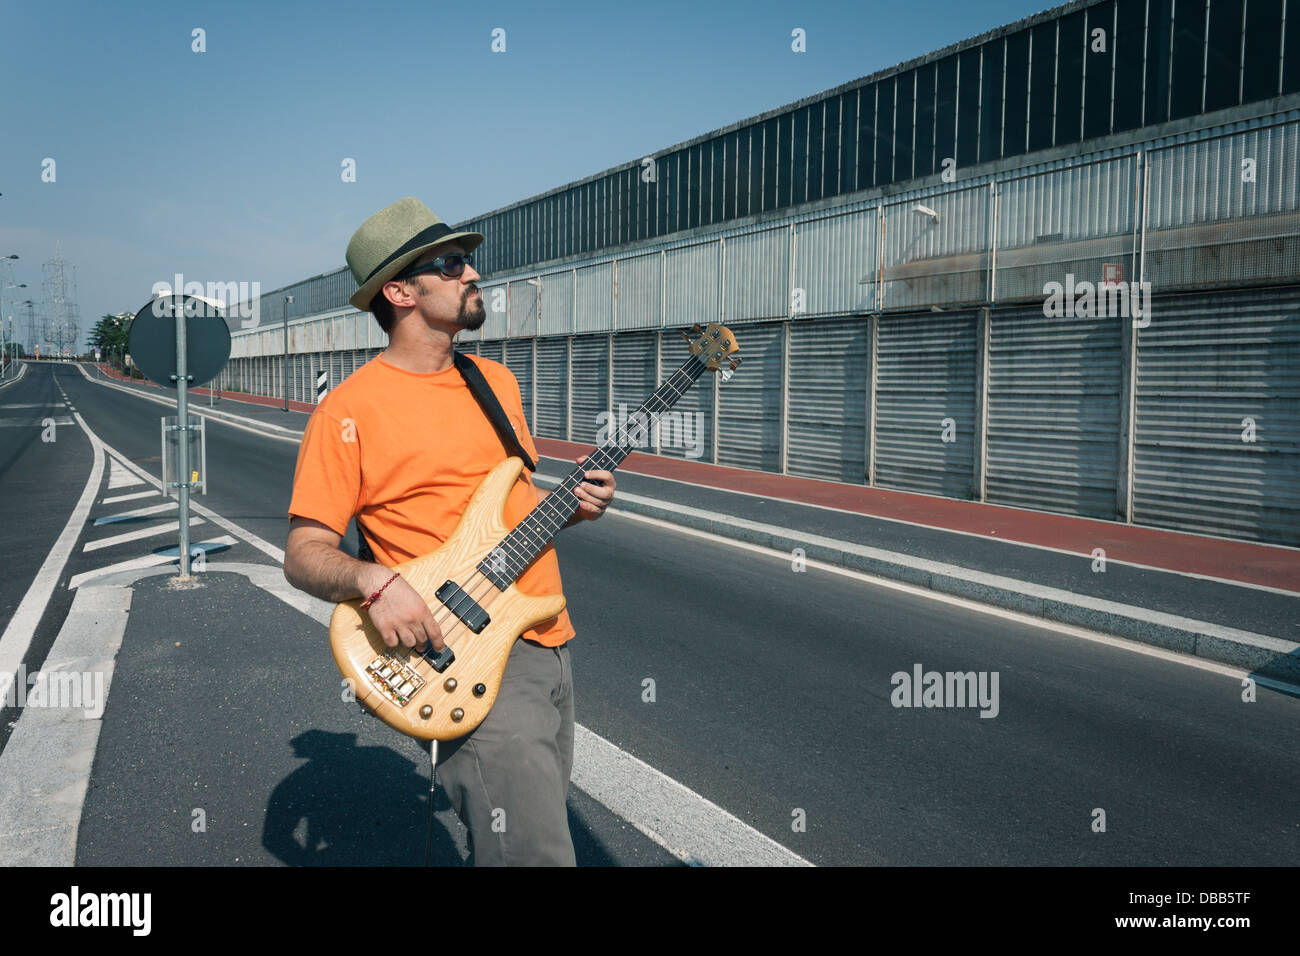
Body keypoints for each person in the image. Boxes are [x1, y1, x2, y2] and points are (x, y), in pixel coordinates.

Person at [282, 197, 615, 865]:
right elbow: (303, 553)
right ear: (400, 291)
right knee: (539, 857)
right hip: (464, 654)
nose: (473, 275)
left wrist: (569, 509)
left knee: (524, 840)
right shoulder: (349, 411)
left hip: (549, 636)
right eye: (453, 264)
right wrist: (373, 581)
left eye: (469, 261)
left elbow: (503, 511)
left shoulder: (494, 382)